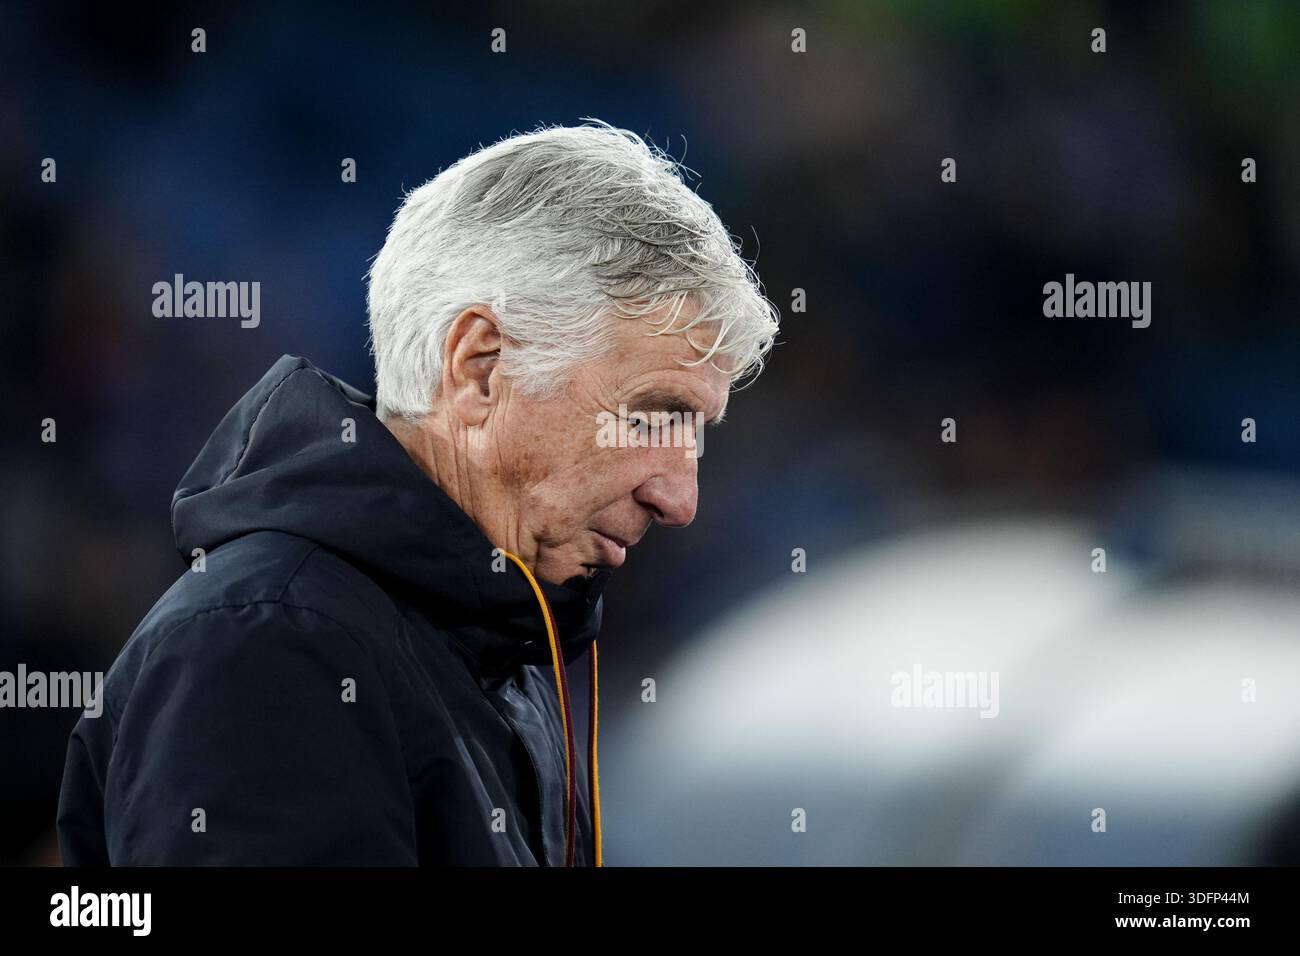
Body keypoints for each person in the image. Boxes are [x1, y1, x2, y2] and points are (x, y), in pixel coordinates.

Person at [55, 121, 778, 866]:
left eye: (696, 430)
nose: (680, 497)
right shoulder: (264, 648)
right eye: (654, 414)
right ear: (479, 367)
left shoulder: (504, 646)